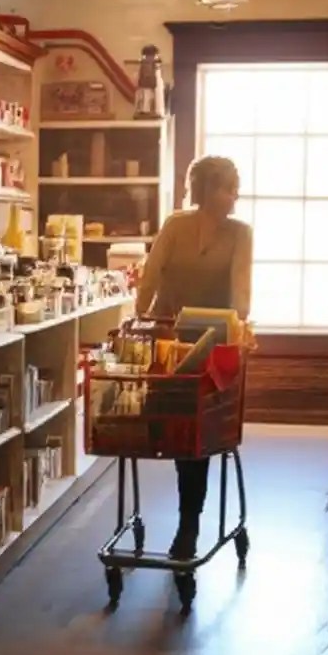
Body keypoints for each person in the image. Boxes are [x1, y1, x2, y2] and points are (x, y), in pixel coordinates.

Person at [134, 155, 252, 560]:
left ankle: (189, 524)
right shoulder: (175, 225)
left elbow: (241, 297)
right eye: (228, 188)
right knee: (170, 431)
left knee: (195, 440)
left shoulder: (240, 234)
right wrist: (141, 316)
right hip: (167, 342)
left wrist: (231, 324)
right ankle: (183, 521)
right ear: (206, 190)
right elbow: (151, 276)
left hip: (210, 348)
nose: (235, 196)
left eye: (235, 188)